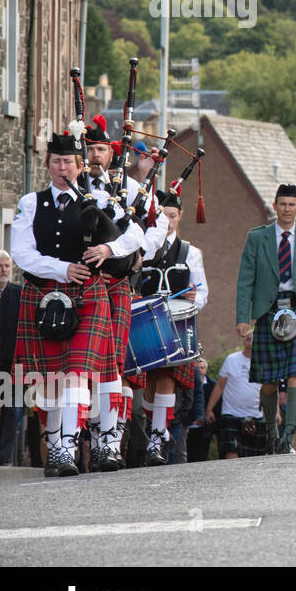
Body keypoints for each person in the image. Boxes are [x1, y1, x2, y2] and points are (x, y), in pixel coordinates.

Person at [10, 130, 115, 477]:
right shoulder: (30, 203)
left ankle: (67, 446)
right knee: (48, 381)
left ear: (79, 165)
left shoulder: (97, 200)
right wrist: (63, 269)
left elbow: (135, 235)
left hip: (87, 297)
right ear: (47, 165)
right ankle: (55, 448)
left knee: (76, 374)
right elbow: (22, 254)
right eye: (56, 161)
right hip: (42, 297)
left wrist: (108, 248)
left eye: (68, 162)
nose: (62, 168)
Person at [79, 113, 167, 472]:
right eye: (89, 149)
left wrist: (135, 250)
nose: (95, 155)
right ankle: (73, 441)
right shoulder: (72, 184)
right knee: (78, 371)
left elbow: (157, 222)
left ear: (111, 153)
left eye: (100, 148)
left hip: (115, 286)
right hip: (76, 285)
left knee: (112, 366)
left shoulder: (128, 189)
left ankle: (108, 440)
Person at [237, 183, 296, 454]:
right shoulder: (258, 237)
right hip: (268, 312)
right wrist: (242, 317)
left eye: (292, 204)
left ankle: (288, 436)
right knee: (268, 380)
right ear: (275, 205)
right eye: (282, 204)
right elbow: (245, 279)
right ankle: (272, 433)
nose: (287, 209)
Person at [136, 189, 208, 466]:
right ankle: (155, 432)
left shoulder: (191, 252)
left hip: (176, 325)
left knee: (166, 381)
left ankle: (156, 438)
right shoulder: (142, 249)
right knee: (150, 385)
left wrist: (193, 298)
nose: (168, 220)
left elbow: (202, 293)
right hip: (144, 325)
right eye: (163, 215)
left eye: (172, 216)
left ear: (180, 217)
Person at [205, 333, 267, 458]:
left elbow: (268, 390)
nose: (251, 342)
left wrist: (275, 412)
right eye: (248, 339)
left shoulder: (264, 362)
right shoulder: (232, 359)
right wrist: (209, 409)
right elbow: (220, 385)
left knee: (256, 457)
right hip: (231, 414)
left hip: (256, 415)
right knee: (231, 453)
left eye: (254, 340)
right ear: (244, 341)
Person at [0, 250, 20, 465]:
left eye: (7, 266)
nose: (4, 270)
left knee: (12, 411)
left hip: (14, 364)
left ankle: (2, 459)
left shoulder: (19, 294)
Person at [186, 357, 216, 462]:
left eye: (202, 368)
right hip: (189, 421)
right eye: (197, 367)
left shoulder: (212, 385)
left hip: (204, 425)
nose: (199, 370)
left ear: (206, 369)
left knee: (202, 454)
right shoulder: (187, 382)